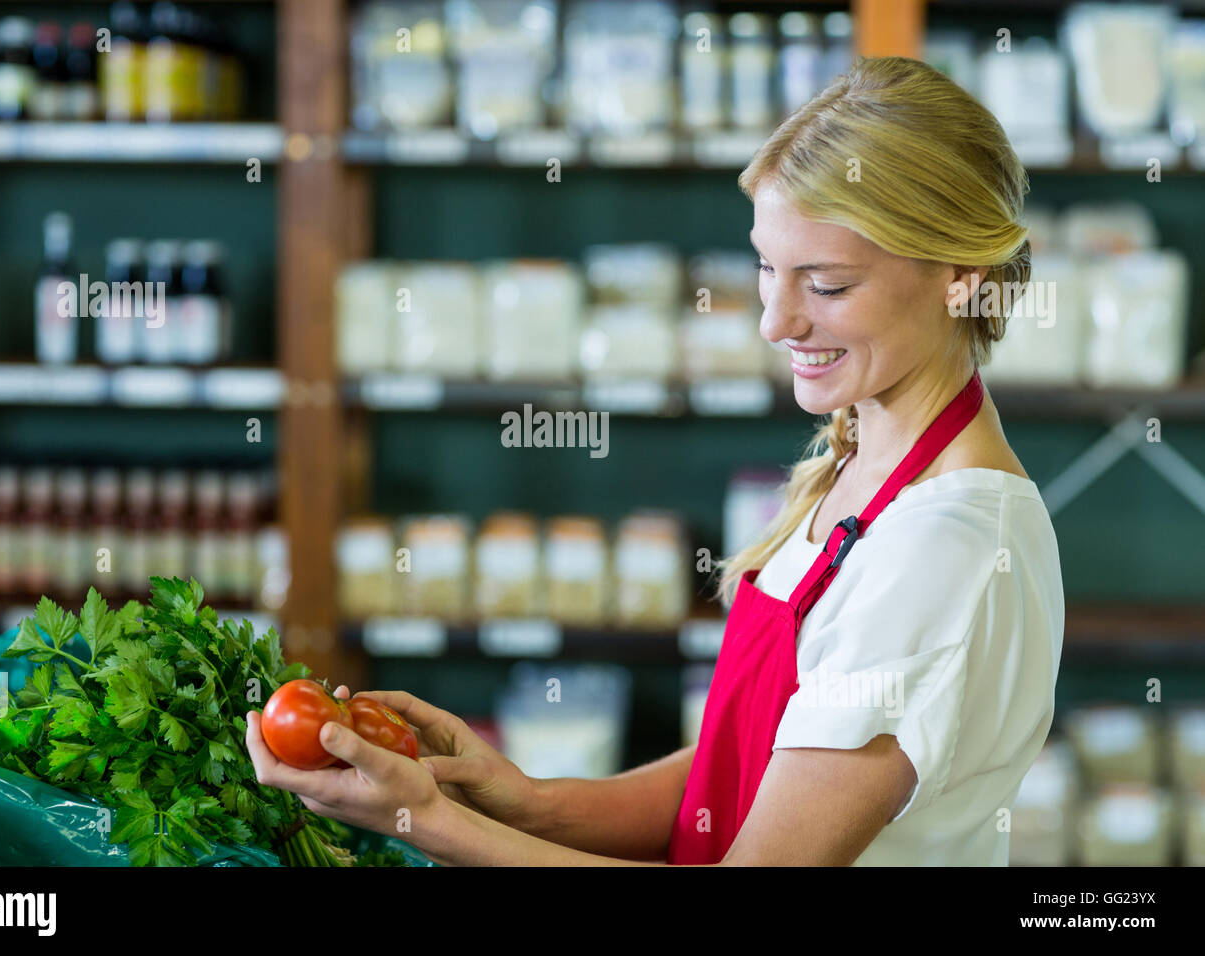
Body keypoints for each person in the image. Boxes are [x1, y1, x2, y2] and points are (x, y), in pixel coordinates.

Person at [246, 56, 1065, 866]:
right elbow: (740, 773)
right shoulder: (865, 464)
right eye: (767, 269)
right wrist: (525, 801)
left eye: (827, 285)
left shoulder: (942, 548)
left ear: (961, 277)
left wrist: (427, 821)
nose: (774, 323)